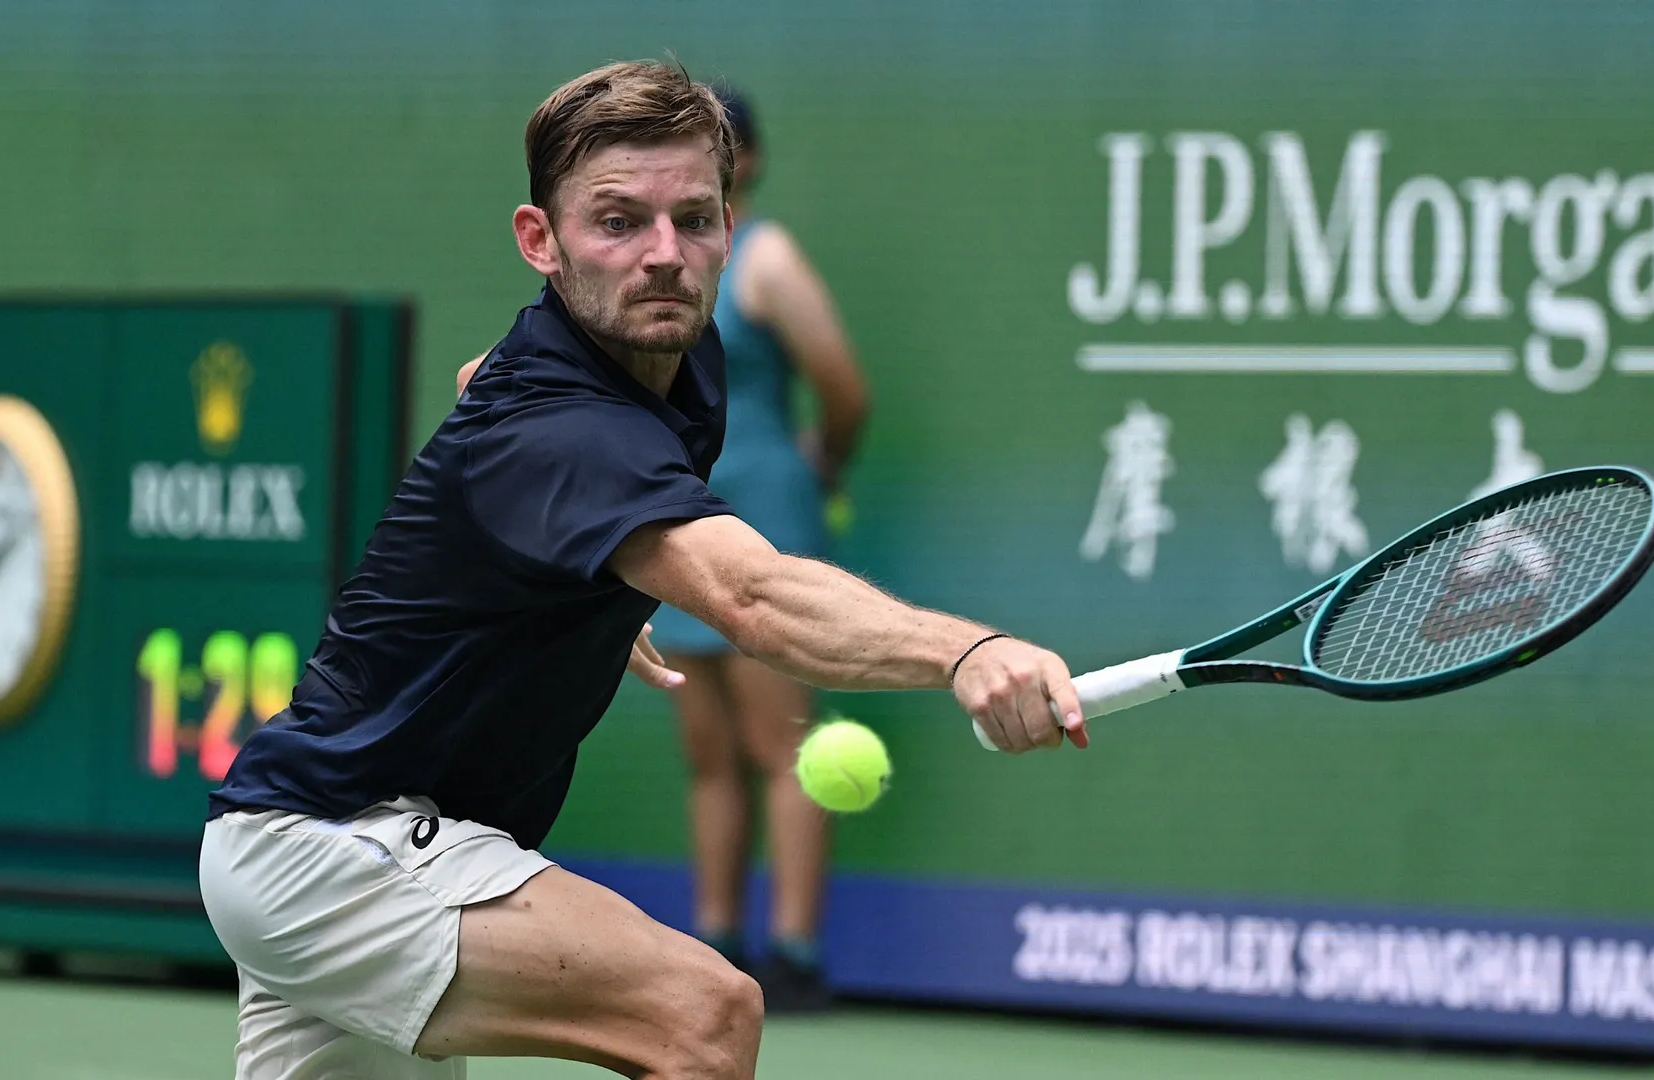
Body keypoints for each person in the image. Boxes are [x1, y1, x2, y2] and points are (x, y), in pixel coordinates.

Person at [200, 60, 1086, 1080]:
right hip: (341, 848)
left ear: (727, 225)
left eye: (694, 219)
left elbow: (476, 379)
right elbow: (751, 595)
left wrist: (583, 576)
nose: (664, 255)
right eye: (618, 222)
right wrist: (967, 650)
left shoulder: (668, 347)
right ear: (541, 241)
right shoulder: (565, 430)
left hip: (308, 846)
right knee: (704, 1013)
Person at [640, 83, 868, 1011]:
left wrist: (820, 464)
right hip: (678, 522)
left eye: (722, 146)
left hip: (768, 522)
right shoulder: (656, 261)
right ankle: (718, 943)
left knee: (787, 748)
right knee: (709, 752)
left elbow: (844, 390)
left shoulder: (767, 260)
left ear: (752, 162)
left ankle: (796, 952)